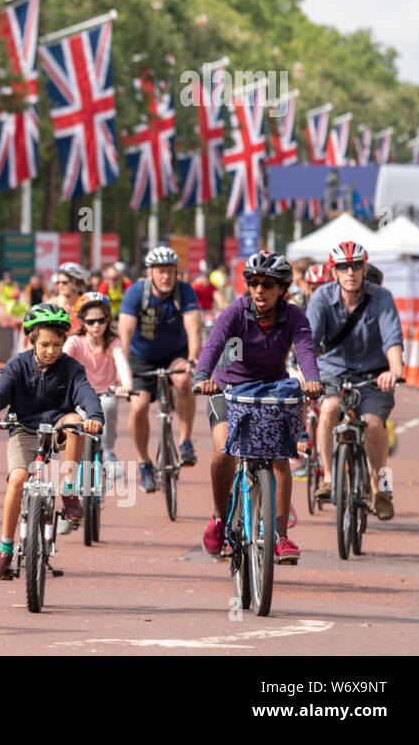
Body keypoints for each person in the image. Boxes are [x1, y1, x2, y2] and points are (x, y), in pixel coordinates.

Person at [194, 252, 322, 563]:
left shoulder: (294, 316)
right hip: (228, 390)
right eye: (253, 283)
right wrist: (202, 377)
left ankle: (280, 537)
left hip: (270, 390)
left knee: (280, 457)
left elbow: (305, 349)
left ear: (283, 289)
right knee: (224, 449)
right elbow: (213, 344)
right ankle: (219, 519)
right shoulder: (235, 312)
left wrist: (312, 380)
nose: (259, 290)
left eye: (267, 284)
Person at [0, 304, 103, 579]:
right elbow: (0, 391)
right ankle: (4, 550)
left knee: (75, 423)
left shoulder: (71, 368)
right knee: (18, 479)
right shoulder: (16, 366)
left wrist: (94, 416)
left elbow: (86, 393)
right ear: (31, 340)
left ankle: (68, 491)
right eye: (45, 344)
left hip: (57, 427)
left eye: (57, 344)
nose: (51, 351)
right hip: (24, 429)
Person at [306, 241, 404, 520]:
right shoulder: (321, 298)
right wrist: (306, 373)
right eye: (343, 267)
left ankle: (381, 489)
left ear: (364, 268)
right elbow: (309, 342)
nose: (350, 272)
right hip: (332, 371)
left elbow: (392, 339)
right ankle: (327, 477)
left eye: (356, 266)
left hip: (374, 374)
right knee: (328, 409)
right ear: (334, 271)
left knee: (374, 426)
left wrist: (394, 371)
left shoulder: (382, 297)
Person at [119, 246, 203, 491]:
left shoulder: (185, 292)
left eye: (170, 271)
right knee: (140, 406)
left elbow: (194, 329)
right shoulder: (136, 293)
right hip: (141, 357)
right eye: (160, 272)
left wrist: (192, 359)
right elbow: (124, 335)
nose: (166, 276)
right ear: (150, 273)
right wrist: (122, 370)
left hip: (174, 354)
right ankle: (144, 461)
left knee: (183, 380)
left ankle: (185, 441)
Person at [63, 292, 131, 473]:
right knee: (77, 420)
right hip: (79, 397)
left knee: (108, 405)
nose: (96, 325)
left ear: (108, 320)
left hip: (105, 393)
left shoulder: (113, 342)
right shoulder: (74, 342)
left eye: (101, 320)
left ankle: (109, 452)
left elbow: (122, 362)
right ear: (82, 322)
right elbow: (60, 365)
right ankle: (75, 469)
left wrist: (126, 384)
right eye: (90, 321)